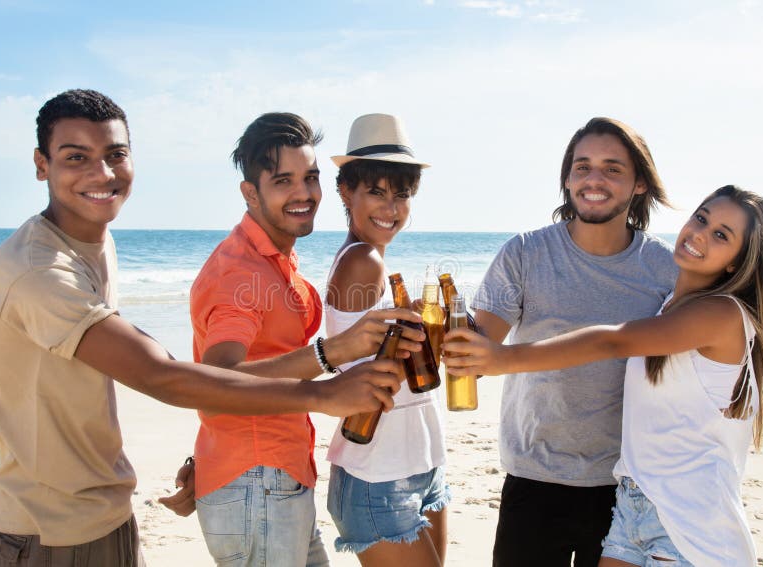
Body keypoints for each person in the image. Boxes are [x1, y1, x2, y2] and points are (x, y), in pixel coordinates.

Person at [0, 90, 408, 567]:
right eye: (76, 157)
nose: (102, 174)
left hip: (111, 504)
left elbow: (200, 379)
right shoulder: (43, 272)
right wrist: (326, 380)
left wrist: (209, 457)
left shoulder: (93, 240)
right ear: (42, 164)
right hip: (53, 524)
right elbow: (173, 376)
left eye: (115, 154)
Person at [445, 185, 763, 566]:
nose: (700, 233)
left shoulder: (722, 315)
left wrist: (502, 360)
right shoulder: (669, 305)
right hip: (632, 508)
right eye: (701, 218)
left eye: (721, 235)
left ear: (737, 262)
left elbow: (611, 341)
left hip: (691, 524)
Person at [169, 112, 426, 567]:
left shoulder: (272, 260)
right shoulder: (240, 271)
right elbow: (213, 384)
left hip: (273, 476)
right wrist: (332, 356)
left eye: (310, 177)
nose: (303, 193)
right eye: (283, 180)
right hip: (256, 484)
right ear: (250, 193)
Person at [466, 117, 678, 567]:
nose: (593, 180)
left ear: (639, 183)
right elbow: (478, 352)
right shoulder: (524, 252)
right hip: (534, 479)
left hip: (628, 487)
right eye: (582, 167)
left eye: (612, 169)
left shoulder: (665, 271)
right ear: (567, 179)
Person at [324, 114, 449, 566]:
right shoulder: (363, 261)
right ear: (345, 191)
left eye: (401, 194)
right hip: (379, 473)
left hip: (417, 463)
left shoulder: (369, 260)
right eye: (375, 191)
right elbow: (360, 375)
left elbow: (370, 347)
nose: (391, 208)